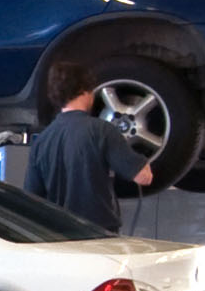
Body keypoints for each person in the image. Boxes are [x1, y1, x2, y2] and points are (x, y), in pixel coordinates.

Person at [22, 59, 156, 234]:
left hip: (57, 236)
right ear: (84, 91)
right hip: (97, 235)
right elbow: (143, 177)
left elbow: (32, 199)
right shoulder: (101, 130)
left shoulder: (42, 141)